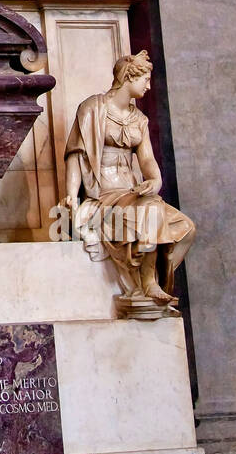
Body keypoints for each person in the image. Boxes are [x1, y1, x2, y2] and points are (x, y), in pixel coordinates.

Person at [61, 50, 195, 316]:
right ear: (129, 77)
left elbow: (146, 160)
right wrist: (70, 195)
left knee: (186, 229)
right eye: (145, 79)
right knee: (151, 210)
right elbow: (76, 155)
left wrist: (155, 181)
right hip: (104, 196)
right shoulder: (93, 108)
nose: (148, 86)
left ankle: (151, 282)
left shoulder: (140, 119)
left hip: (133, 193)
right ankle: (147, 282)